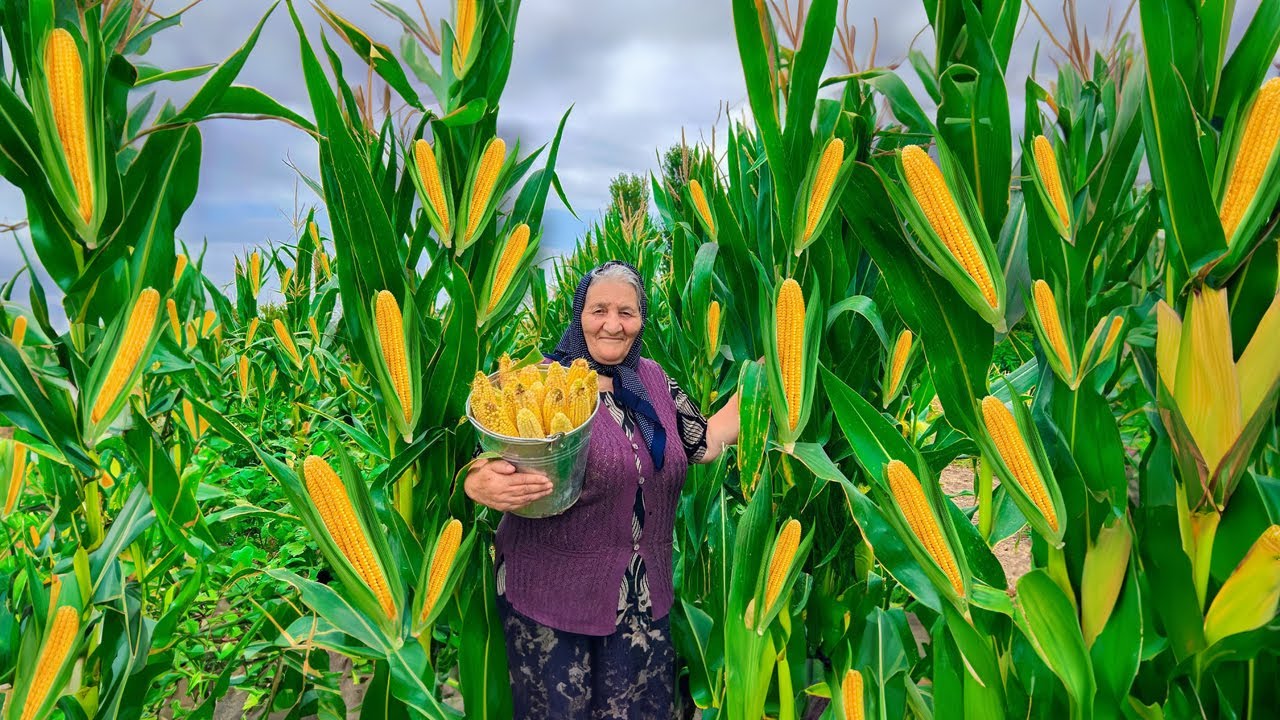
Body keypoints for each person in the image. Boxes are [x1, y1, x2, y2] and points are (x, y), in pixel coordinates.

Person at [463, 260, 741, 718]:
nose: (613, 324)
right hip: (554, 601)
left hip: (641, 602)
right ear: (579, 314)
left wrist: (760, 378)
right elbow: (487, 448)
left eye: (627, 312)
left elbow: (702, 441)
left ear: (641, 319)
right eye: (599, 310)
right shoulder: (542, 381)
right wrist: (477, 481)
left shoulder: (655, 382)